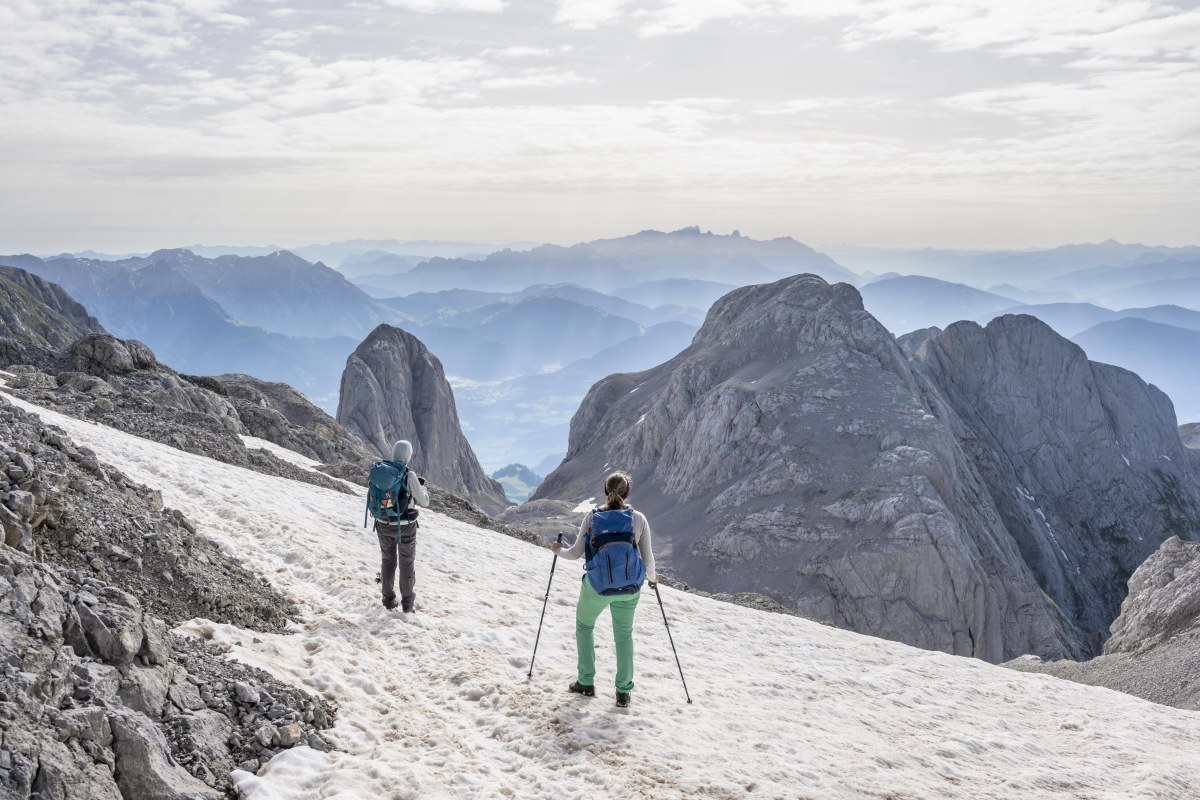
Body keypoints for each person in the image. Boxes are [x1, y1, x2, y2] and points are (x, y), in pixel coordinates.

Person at [552, 470, 656, 707]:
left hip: (597, 587)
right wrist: (652, 579)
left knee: (584, 625)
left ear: (605, 491)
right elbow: (648, 560)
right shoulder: (638, 518)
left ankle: (586, 682)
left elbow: (575, 553)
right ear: (627, 492)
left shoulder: (592, 517)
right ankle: (623, 692)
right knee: (624, 635)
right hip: (630, 588)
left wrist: (557, 549)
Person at [376, 440, 430, 612]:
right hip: (405, 526)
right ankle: (407, 605)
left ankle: (388, 600)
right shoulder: (408, 475)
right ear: (408, 455)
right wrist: (424, 489)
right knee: (406, 563)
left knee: (387, 560)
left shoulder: (381, 470)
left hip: (382, 523)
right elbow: (424, 502)